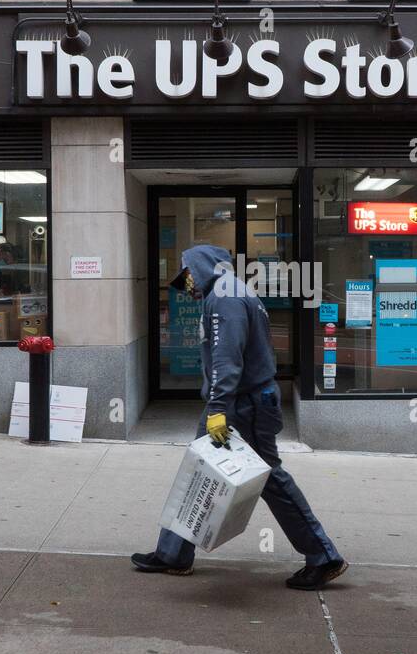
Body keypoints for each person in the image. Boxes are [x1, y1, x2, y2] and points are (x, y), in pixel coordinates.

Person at [132, 244, 348, 591]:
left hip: (242, 404)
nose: (185, 283)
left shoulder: (225, 297)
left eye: (186, 273)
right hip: (241, 399)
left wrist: (218, 407)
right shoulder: (231, 290)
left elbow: (226, 358)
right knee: (198, 469)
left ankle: (323, 555)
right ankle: (173, 553)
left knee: (269, 479)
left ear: (199, 265)